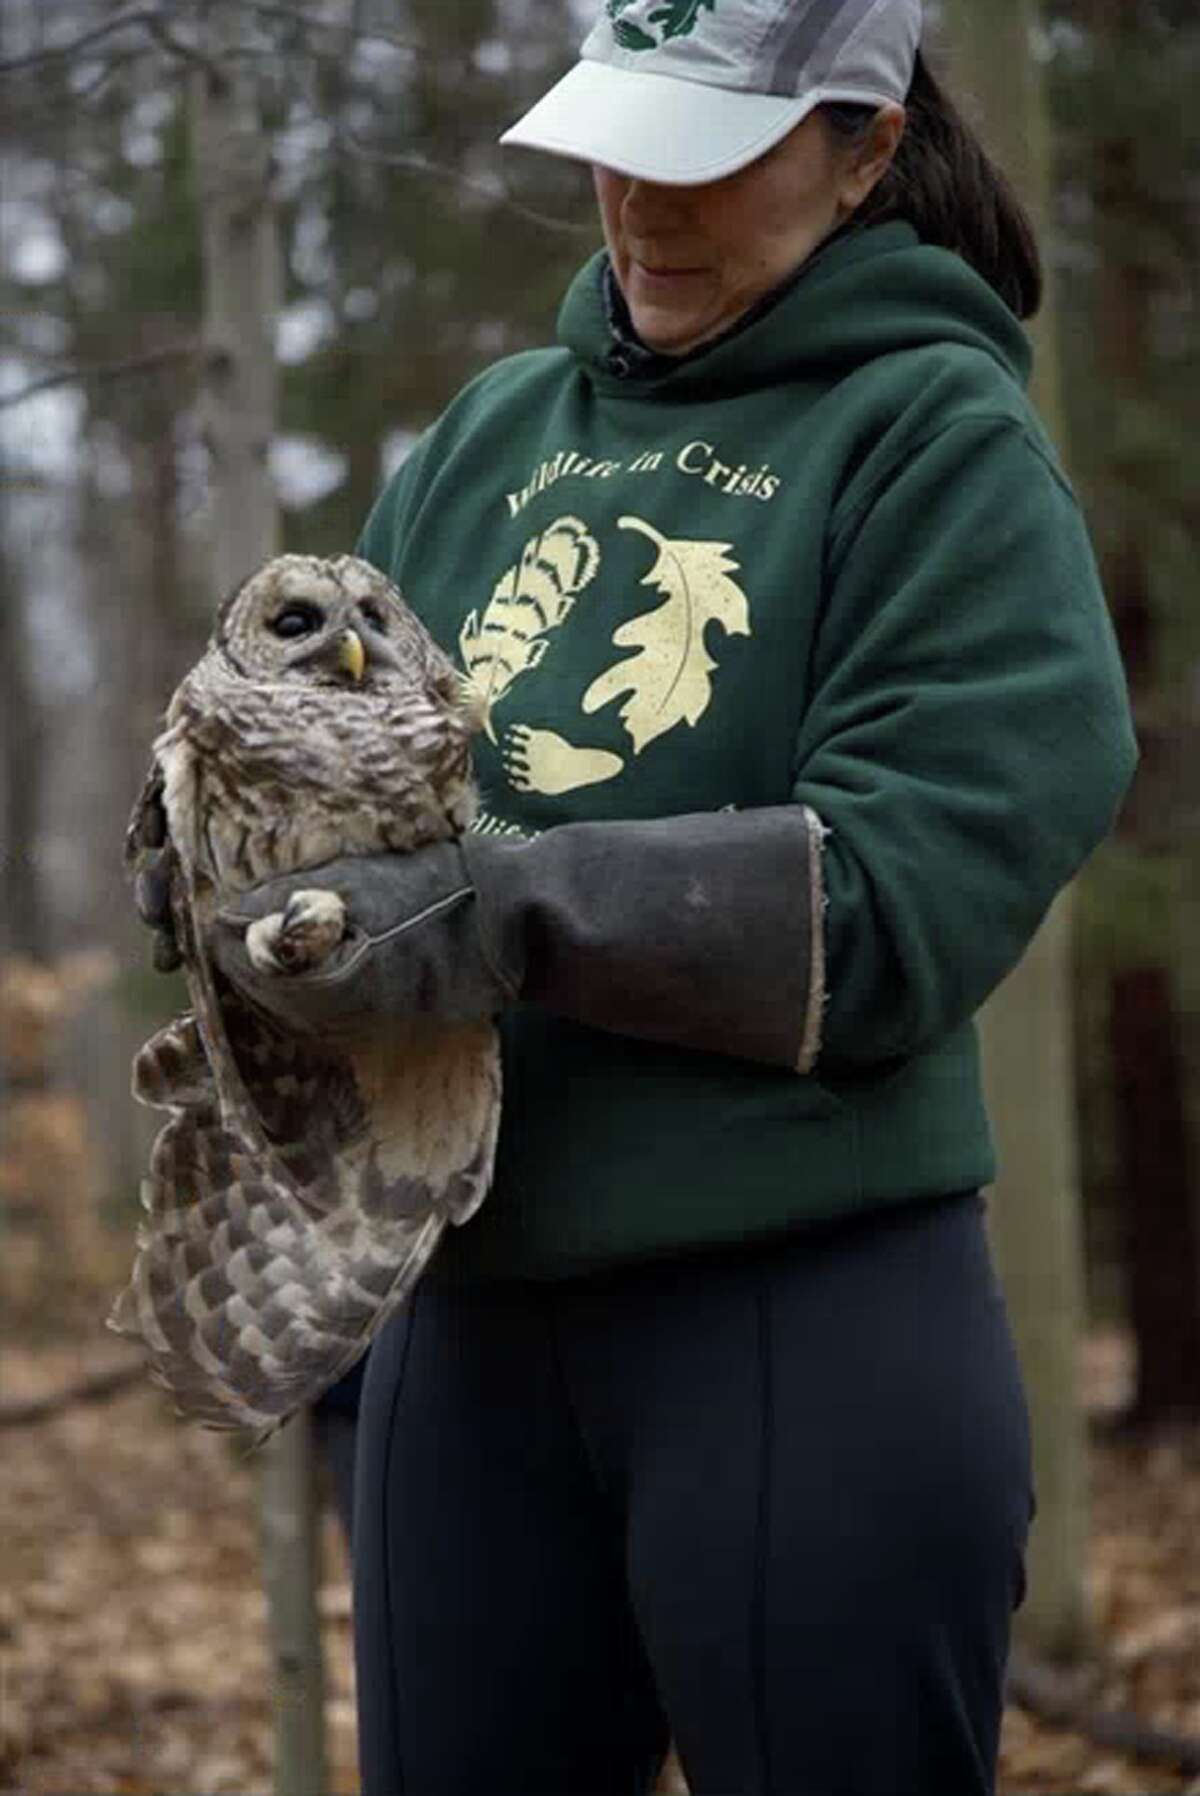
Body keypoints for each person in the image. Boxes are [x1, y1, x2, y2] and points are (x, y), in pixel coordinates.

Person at [151, 2, 1138, 1790]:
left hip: (803, 1322)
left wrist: (493, 915)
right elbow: (341, 745)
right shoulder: (491, 433)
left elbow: (907, 891)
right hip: (462, 1321)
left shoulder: (940, 447)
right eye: (617, 143)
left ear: (864, 143)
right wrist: (233, 860)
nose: (637, 203)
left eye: (705, 157)